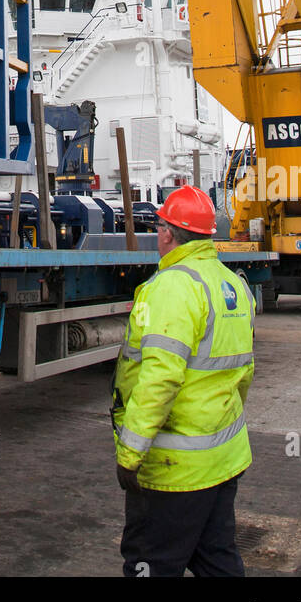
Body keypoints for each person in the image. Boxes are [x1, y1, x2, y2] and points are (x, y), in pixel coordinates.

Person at [111, 184, 255, 577]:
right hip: (223, 461)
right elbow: (243, 375)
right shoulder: (234, 285)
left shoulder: (172, 287)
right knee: (217, 559)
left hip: (176, 472)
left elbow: (160, 380)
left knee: (151, 564)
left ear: (167, 234)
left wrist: (130, 453)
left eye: (158, 229)